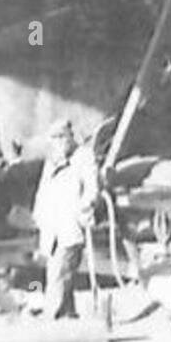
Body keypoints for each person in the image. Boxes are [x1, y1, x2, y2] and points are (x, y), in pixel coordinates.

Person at [32, 119, 99, 320]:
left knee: (58, 275)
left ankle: (53, 318)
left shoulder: (83, 156)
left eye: (63, 136)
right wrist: (38, 215)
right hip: (52, 230)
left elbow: (92, 187)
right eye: (55, 137)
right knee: (61, 274)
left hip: (71, 227)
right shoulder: (51, 161)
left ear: (71, 136)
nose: (59, 141)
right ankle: (68, 315)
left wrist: (86, 206)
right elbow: (42, 193)